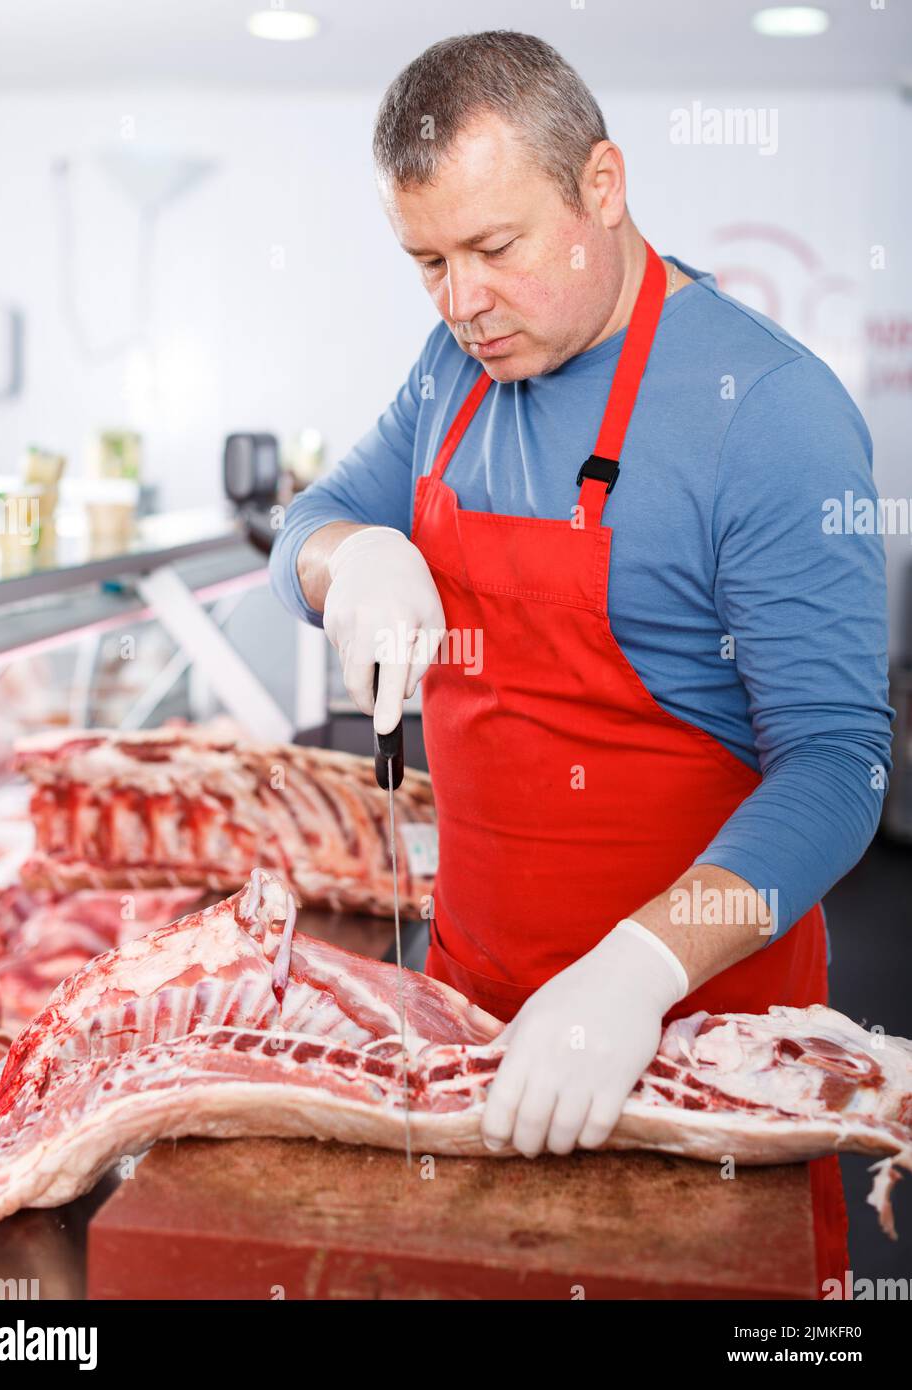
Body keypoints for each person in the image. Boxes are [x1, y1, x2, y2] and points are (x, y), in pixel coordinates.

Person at [270, 31, 892, 1288]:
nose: (461, 302)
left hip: (699, 1035)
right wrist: (350, 562)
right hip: (471, 1002)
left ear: (601, 187)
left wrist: (636, 970)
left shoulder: (766, 410)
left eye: (493, 250)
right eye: (428, 263)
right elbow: (306, 522)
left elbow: (837, 766)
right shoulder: (453, 370)